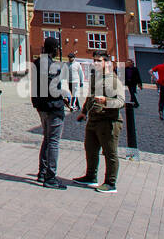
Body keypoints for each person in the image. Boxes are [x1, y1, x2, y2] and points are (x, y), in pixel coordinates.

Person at [74, 57, 125, 193]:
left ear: (107, 63)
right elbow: (90, 97)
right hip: (93, 120)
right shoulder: (94, 78)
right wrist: (84, 112)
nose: (95, 63)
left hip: (108, 121)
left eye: (99, 61)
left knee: (110, 152)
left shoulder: (114, 80)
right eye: (94, 60)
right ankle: (91, 176)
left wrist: (106, 101)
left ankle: (110, 183)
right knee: (90, 149)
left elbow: (121, 102)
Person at [30, 36, 68, 190]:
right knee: (53, 141)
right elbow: (53, 88)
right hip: (53, 107)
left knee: (47, 139)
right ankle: (50, 177)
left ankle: (42, 172)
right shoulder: (52, 66)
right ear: (55, 49)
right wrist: (63, 97)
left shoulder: (37, 62)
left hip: (41, 107)